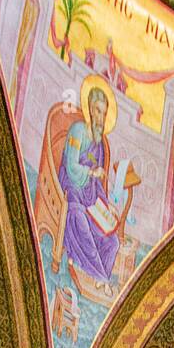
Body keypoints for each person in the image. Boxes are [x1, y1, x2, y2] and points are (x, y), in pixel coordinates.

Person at [58, 86, 120, 294]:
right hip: (72, 191)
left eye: (104, 112)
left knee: (113, 241)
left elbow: (98, 185)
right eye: (98, 111)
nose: (101, 117)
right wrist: (91, 173)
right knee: (80, 220)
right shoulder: (78, 130)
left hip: (91, 198)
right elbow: (71, 165)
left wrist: (107, 204)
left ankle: (99, 276)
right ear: (90, 110)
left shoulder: (99, 144)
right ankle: (101, 276)